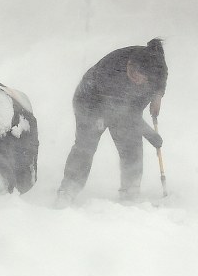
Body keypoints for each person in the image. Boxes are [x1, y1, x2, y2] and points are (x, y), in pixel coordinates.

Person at [57, 38, 167, 205]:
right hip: (90, 102)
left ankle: (130, 191)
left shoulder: (155, 64)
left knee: (131, 145)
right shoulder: (111, 72)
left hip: (124, 106)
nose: (138, 81)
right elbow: (126, 115)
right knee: (86, 145)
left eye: (142, 80)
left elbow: (161, 75)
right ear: (130, 65)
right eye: (135, 76)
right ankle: (68, 190)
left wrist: (157, 96)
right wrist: (150, 134)